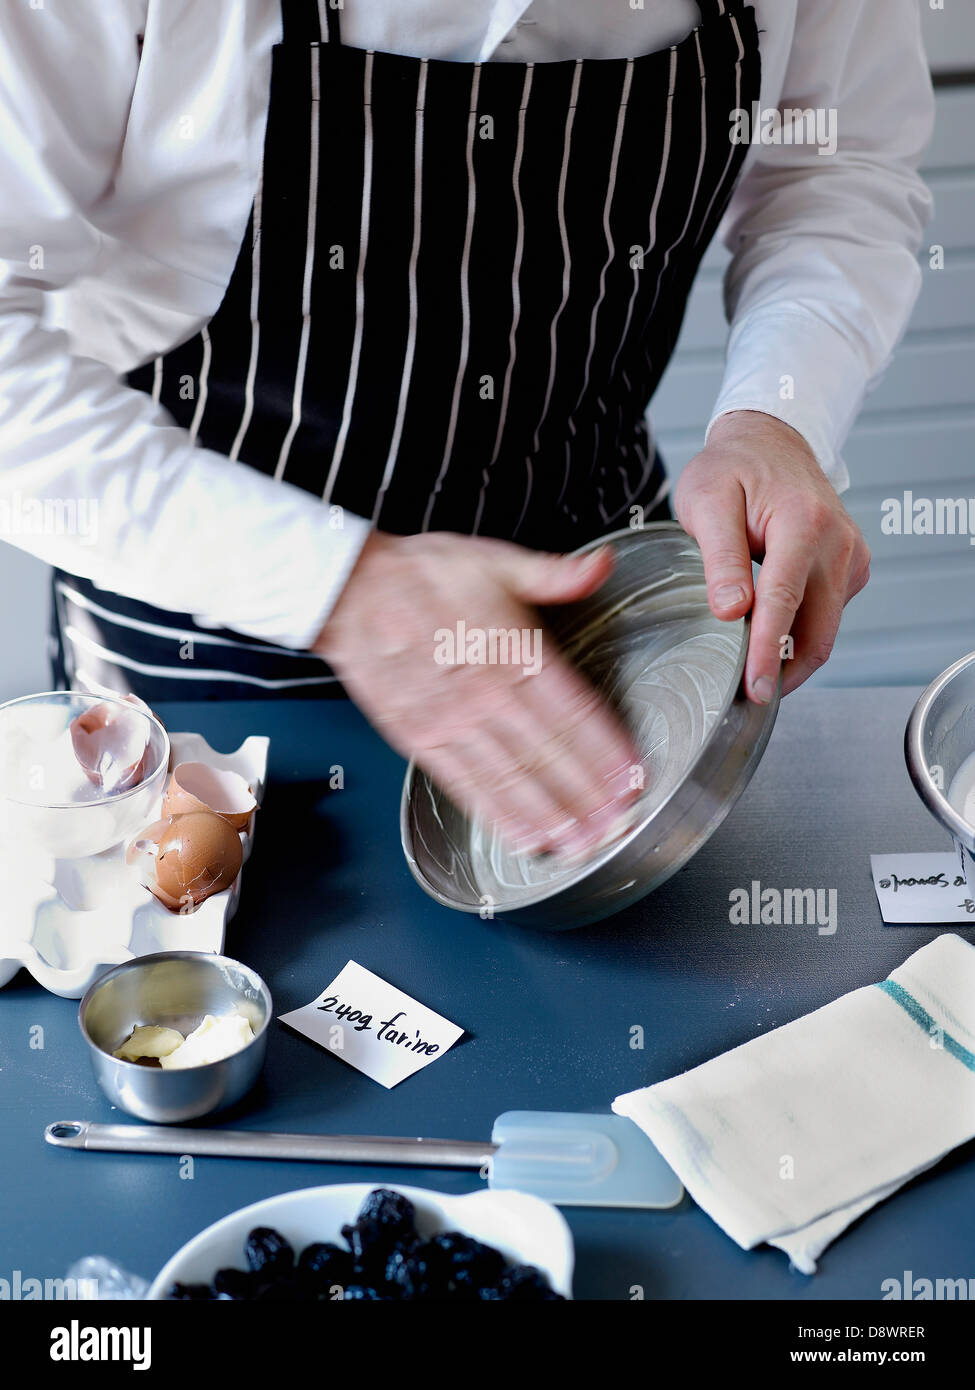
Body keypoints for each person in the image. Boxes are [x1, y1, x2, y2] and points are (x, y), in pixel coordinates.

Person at [0, 1, 932, 857]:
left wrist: (776, 417)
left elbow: (837, 167)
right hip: (203, 642)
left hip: (601, 611)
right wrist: (343, 587)